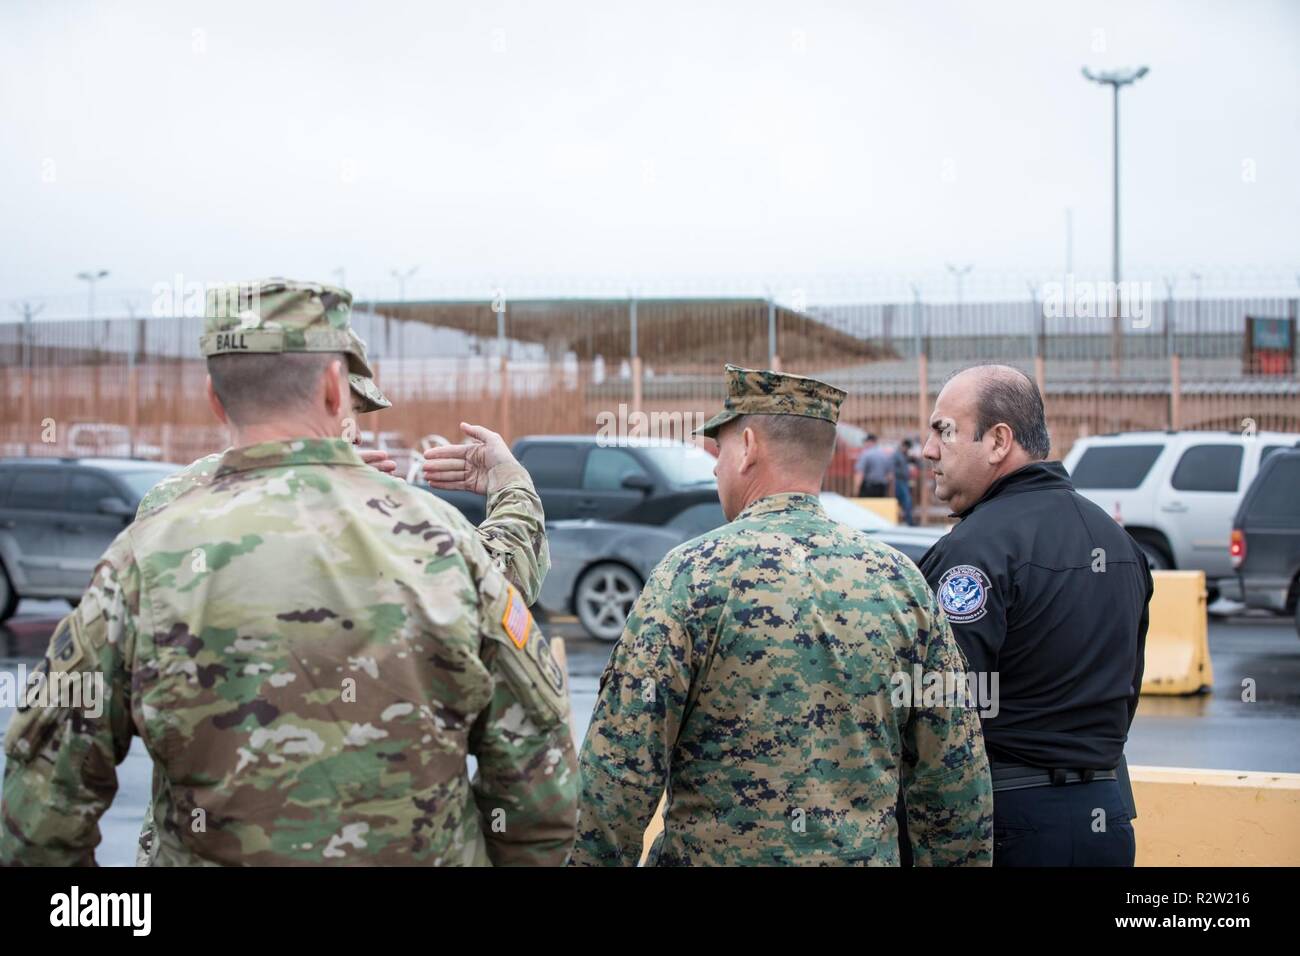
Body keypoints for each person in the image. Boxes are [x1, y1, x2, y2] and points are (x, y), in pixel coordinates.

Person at [0, 278, 577, 866]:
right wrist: (511, 490)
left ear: (215, 398)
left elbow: (39, 815)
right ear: (334, 387)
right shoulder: (441, 540)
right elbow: (540, 783)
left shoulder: (146, 557)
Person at [570, 363, 992, 866]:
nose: (714, 468)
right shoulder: (901, 583)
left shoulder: (690, 576)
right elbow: (953, 778)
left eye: (719, 449)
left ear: (748, 447)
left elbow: (618, 774)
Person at [916, 364, 1150, 867]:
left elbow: (939, 712)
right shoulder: (1119, 544)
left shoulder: (973, 552)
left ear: (999, 441)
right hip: (1106, 822)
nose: (928, 450)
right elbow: (1127, 688)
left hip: (1008, 822)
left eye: (944, 431)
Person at [854, 433, 891, 498]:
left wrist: (856, 489)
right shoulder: (884, 454)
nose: (864, 444)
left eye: (866, 442)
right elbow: (889, 475)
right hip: (882, 487)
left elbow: (860, 473)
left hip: (869, 488)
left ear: (870, 442)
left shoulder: (865, 454)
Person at [892, 438, 915, 525]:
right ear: (904, 446)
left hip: (903, 480)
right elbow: (893, 468)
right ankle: (909, 521)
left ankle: (907, 519)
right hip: (899, 480)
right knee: (906, 500)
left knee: (905, 500)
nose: (907, 450)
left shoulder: (903, 455)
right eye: (907, 448)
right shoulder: (897, 455)